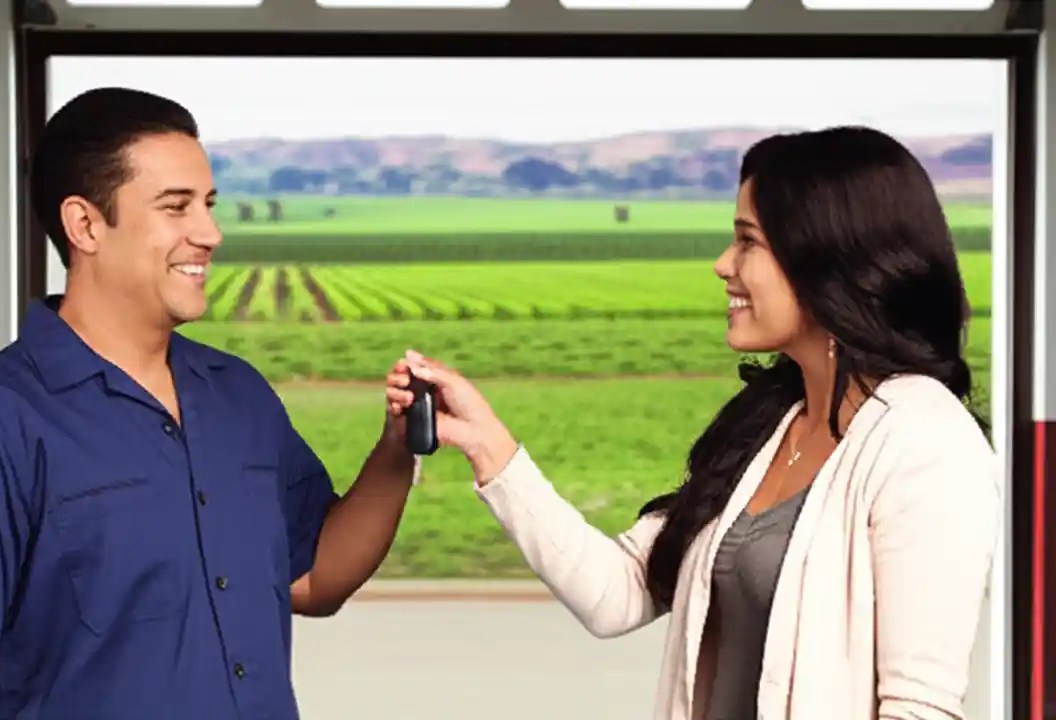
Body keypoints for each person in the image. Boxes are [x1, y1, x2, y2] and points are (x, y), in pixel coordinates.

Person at [386, 126, 1000, 720]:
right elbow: (618, 593)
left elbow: (920, 709)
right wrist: (487, 443)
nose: (722, 264)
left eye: (748, 241)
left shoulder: (925, 441)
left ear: (825, 257)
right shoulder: (767, 424)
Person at [0, 87, 419, 719]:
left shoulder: (238, 396)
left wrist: (397, 448)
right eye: (177, 207)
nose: (210, 233)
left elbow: (315, 577)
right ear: (85, 224)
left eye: (209, 205)